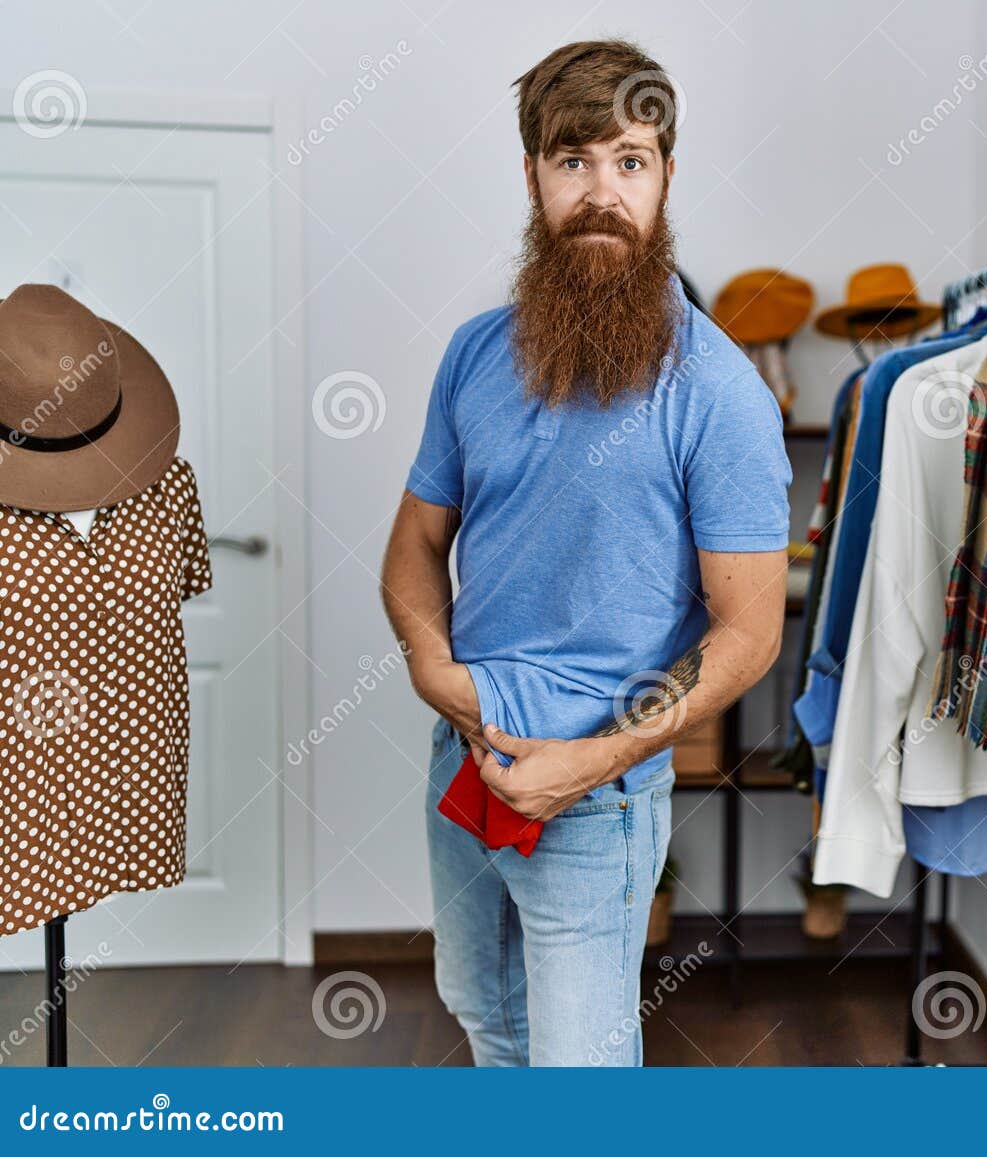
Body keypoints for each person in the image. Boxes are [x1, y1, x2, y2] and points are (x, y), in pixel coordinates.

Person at [380, 39, 791, 1066]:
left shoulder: (719, 390)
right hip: (463, 755)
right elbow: (416, 546)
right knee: (485, 1016)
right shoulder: (474, 352)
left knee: (579, 1070)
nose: (602, 191)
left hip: (595, 790)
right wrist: (438, 672)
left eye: (630, 160)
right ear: (531, 177)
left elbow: (749, 632)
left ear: (664, 178)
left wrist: (594, 759)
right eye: (574, 161)